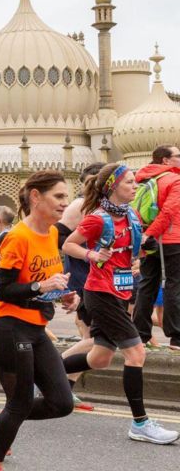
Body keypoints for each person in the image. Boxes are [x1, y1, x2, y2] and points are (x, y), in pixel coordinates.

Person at [62, 163, 179, 445]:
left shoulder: (133, 215)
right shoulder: (98, 218)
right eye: (129, 182)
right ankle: (140, 423)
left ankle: (41, 371)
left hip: (121, 291)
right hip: (101, 294)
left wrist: (136, 260)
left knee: (99, 358)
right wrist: (92, 255)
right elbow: (69, 244)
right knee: (136, 354)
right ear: (113, 186)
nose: (135, 186)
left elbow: (132, 248)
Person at [0, 171, 76, 471]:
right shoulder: (17, 236)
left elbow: (42, 280)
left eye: (66, 197)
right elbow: (4, 289)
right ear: (35, 197)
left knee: (62, 403)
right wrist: (41, 288)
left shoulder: (54, 233)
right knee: (19, 403)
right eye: (58, 196)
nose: (64, 203)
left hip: (35, 326)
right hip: (8, 325)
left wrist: (64, 294)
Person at [55, 162, 103, 411]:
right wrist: (85, 250)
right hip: (83, 279)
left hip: (97, 280)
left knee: (90, 339)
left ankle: (65, 390)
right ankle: (48, 375)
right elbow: (58, 235)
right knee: (95, 339)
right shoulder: (80, 205)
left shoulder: (102, 207)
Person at [133, 145, 180, 350]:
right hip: (171, 239)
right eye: (178, 156)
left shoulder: (143, 179)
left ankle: (140, 333)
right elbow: (168, 212)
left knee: (147, 284)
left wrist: (144, 235)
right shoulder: (175, 180)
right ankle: (177, 337)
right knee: (174, 285)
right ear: (165, 161)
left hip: (149, 240)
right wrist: (151, 233)